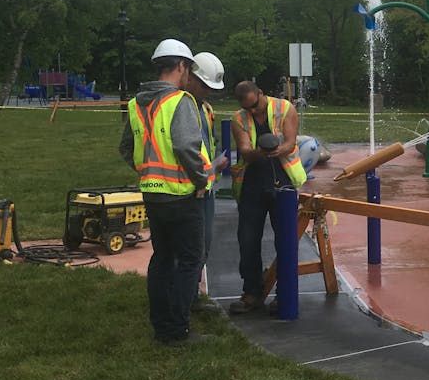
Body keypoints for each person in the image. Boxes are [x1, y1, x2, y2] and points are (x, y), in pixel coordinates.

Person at [119, 38, 212, 345]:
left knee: (161, 259)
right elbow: (186, 146)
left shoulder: (136, 103)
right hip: (182, 196)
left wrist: (147, 171)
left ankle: (161, 326)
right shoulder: (179, 101)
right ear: (182, 66)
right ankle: (177, 329)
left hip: (152, 195)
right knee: (189, 261)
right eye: (189, 70)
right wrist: (200, 181)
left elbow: (125, 148)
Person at [229, 80, 307, 313]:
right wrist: (259, 152)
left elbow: (291, 142)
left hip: (282, 181)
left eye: (256, 106)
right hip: (252, 183)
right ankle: (252, 292)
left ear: (261, 94)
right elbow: (244, 151)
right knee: (248, 239)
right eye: (248, 108)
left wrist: (277, 149)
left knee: (284, 239)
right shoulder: (239, 119)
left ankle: (284, 293)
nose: (253, 112)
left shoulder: (285, 108)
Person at [185, 51, 228, 302]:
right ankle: (188, 299)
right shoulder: (182, 106)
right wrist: (209, 170)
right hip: (191, 188)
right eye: (204, 85)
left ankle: (192, 294)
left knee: (203, 246)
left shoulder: (205, 108)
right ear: (190, 76)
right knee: (192, 248)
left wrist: (213, 168)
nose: (207, 91)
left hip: (206, 186)